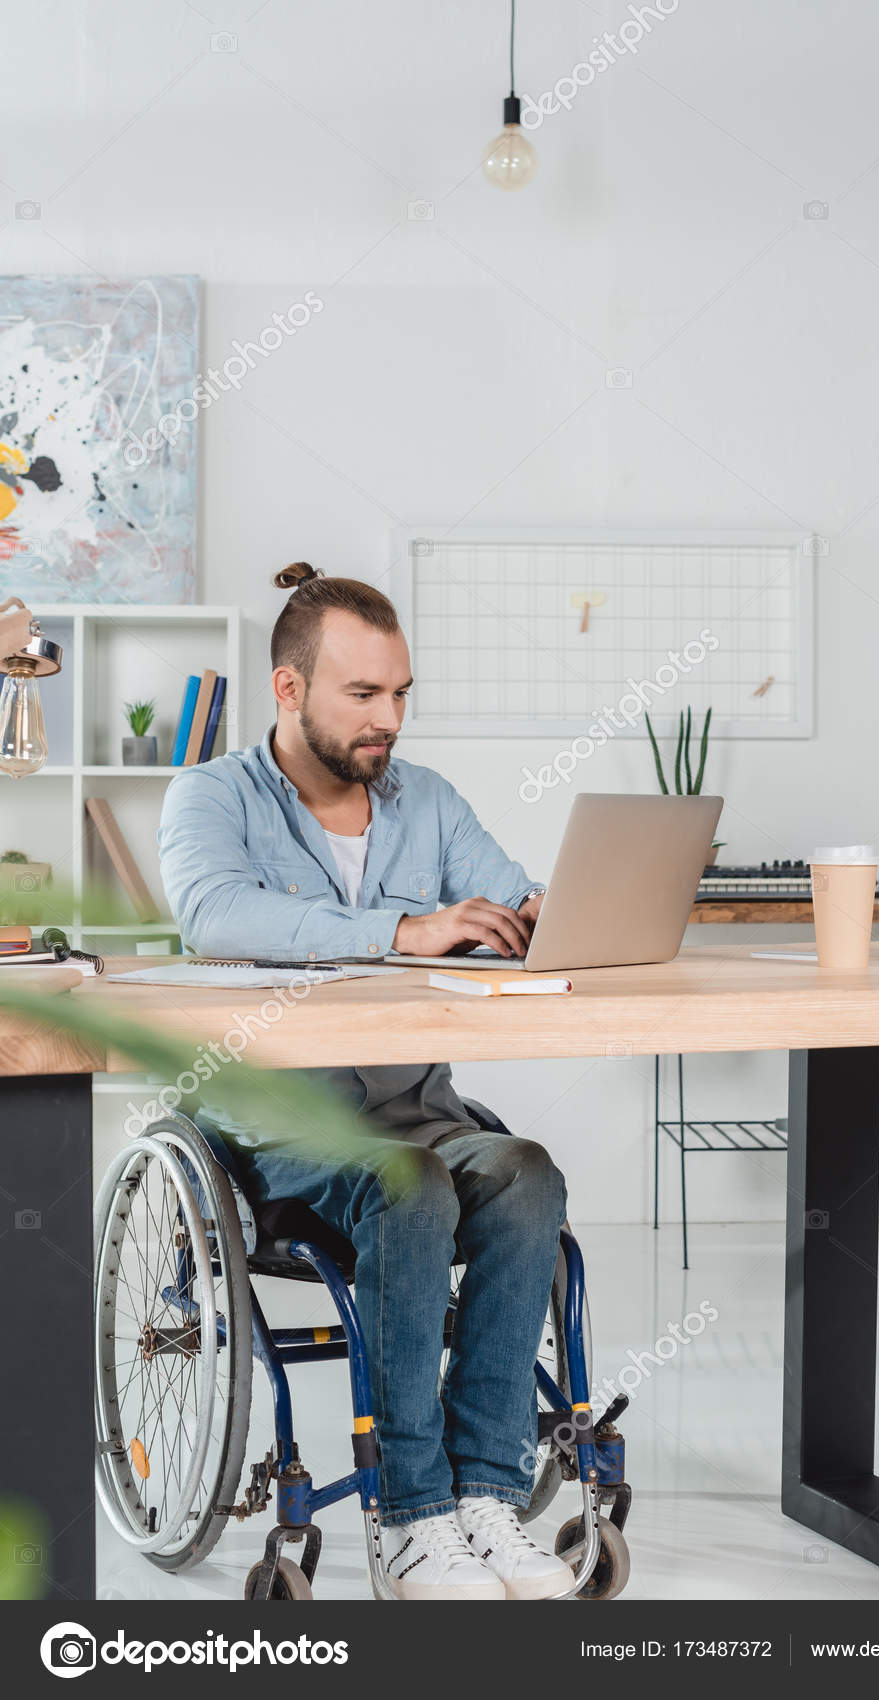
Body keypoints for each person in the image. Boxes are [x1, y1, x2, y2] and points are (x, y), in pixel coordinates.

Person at [158, 564, 574, 1601]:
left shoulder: (425, 801)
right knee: (409, 1185)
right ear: (288, 689)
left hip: (417, 1113)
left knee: (523, 1169)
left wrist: (546, 908)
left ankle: (487, 1492)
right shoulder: (211, 795)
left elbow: (502, 892)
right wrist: (402, 928)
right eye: (363, 694)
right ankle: (411, 1514)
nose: (389, 718)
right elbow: (218, 916)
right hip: (277, 1129)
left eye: (400, 693)